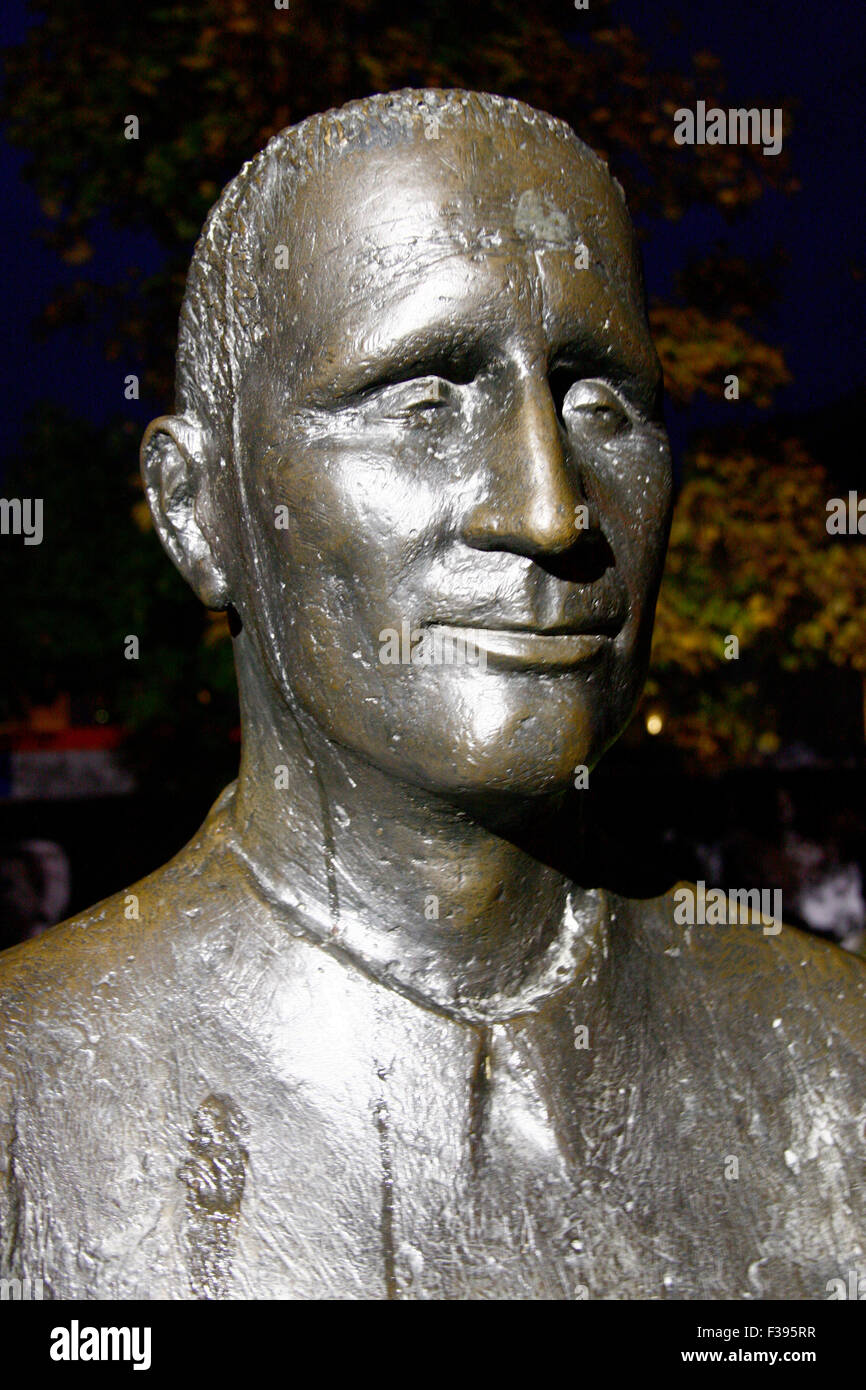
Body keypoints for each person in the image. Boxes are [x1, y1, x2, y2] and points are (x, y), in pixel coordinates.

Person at [0, 90, 863, 1300]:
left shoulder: (833, 1059)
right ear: (200, 512)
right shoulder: (28, 1109)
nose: (548, 509)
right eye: (421, 403)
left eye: (599, 403)